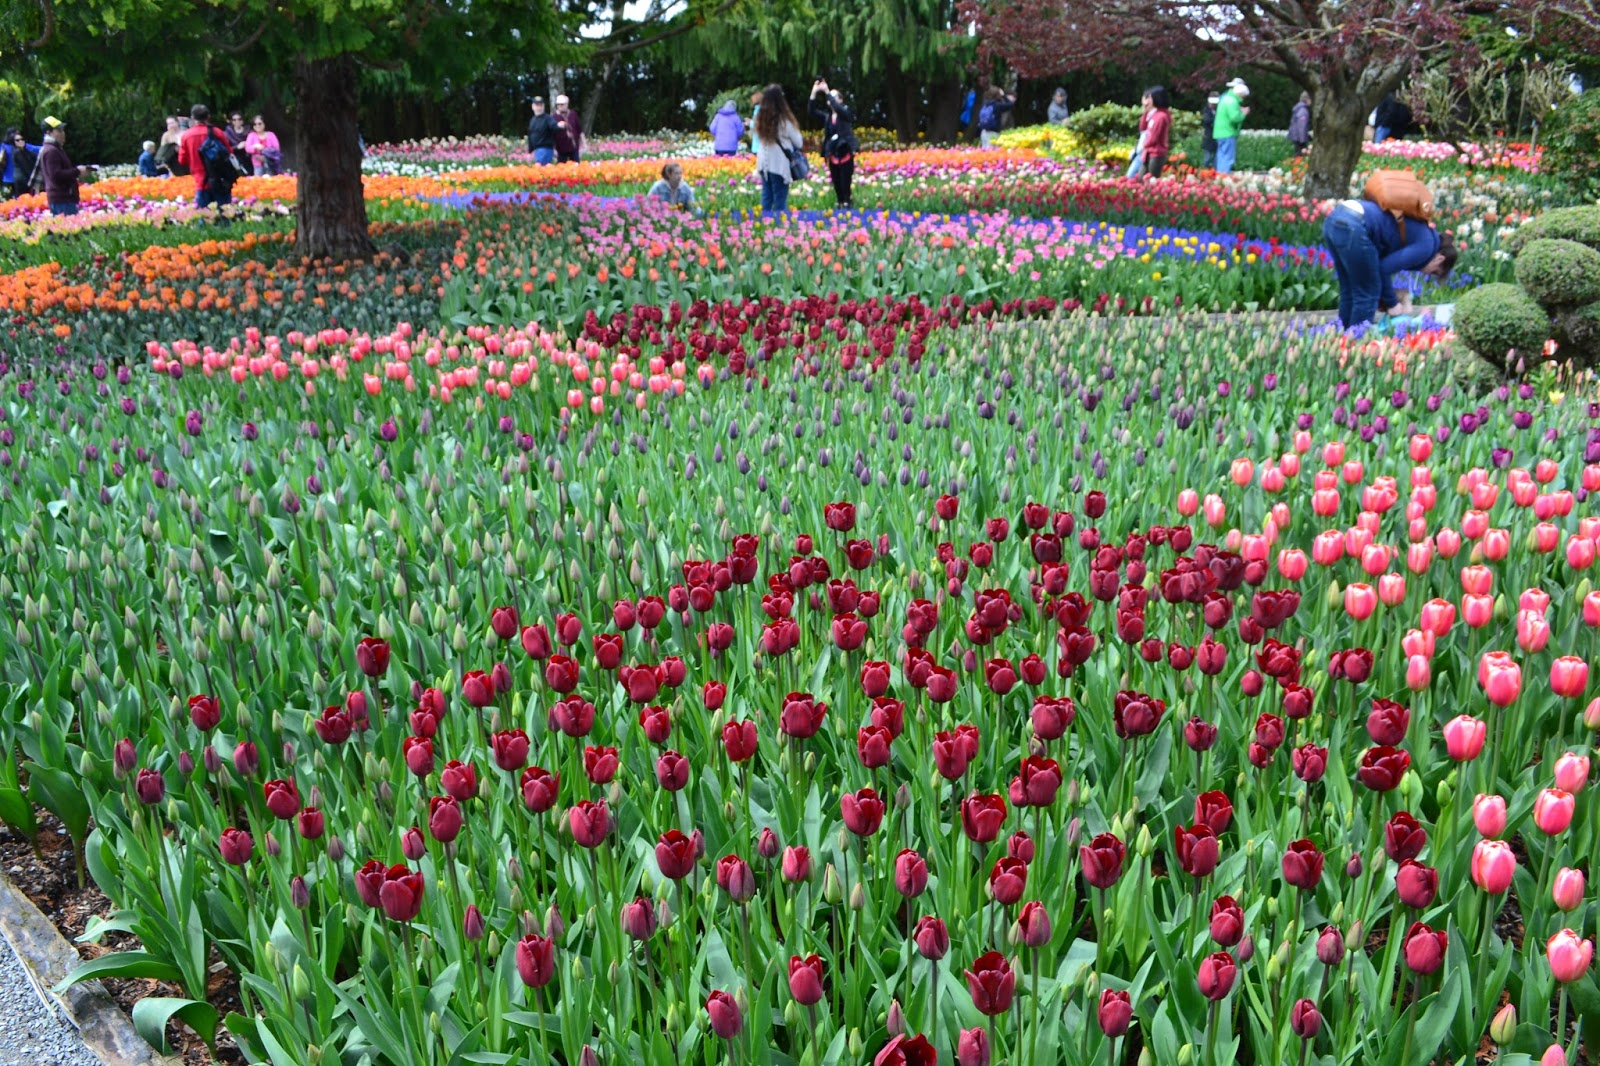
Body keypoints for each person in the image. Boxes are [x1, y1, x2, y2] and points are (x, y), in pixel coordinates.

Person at [1322, 197, 1457, 327]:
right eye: (1434, 272)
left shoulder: (1425, 234)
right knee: (1367, 295)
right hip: (1354, 225)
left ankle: (1342, 341)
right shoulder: (1427, 247)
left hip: (1335, 217)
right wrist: (1392, 304)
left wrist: (1396, 296)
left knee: (1350, 290)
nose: (1426, 274)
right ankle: (1355, 344)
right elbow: (1383, 269)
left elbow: (1378, 266)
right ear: (1440, 259)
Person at [752, 83, 803, 213]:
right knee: (780, 200)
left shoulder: (760, 118)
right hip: (779, 164)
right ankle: (779, 228)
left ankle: (764, 227)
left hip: (763, 164)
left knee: (766, 198)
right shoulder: (784, 120)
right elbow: (799, 143)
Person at [176, 104, 236, 210]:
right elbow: (229, 153)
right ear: (208, 116)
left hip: (201, 181)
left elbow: (182, 160)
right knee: (225, 215)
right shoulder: (217, 132)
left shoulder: (186, 136)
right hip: (220, 179)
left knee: (204, 217)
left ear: (193, 118)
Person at [810, 79, 857, 209]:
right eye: (829, 97)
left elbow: (838, 108)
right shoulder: (828, 116)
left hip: (845, 151)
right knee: (836, 182)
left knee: (845, 181)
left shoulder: (845, 112)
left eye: (834, 96)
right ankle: (840, 203)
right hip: (833, 153)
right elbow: (812, 111)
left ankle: (847, 203)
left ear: (841, 99)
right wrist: (814, 92)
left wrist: (826, 91)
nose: (830, 100)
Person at [35, 117, 92, 216]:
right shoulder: (51, 151)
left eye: (62, 130)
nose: (63, 133)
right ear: (49, 132)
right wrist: (77, 171)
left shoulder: (54, 149)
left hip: (63, 198)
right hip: (61, 199)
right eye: (59, 130)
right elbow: (56, 175)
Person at [1213, 78, 1250, 174]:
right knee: (1227, 158)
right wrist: (1243, 113)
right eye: (1243, 96)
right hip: (1228, 132)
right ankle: (1224, 178)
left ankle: (1219, 176)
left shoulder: (1225, 98)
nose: (1243, 98)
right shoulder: (1232, 101)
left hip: (1220, 132)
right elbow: (1234, 118)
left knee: (1221, 156)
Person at [1140, 87, 1172, 178]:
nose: (1147, 101)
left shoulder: (1161, 116)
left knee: (1151, 180)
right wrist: (1145, 110)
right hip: (1148, 152)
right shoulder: (1153, 114)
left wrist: (1144, 145)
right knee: (1141, 179)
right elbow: (1143, 127)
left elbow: (1154, 137)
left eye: (1150, 98)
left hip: (1156, 153)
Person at [2, 127, 40, 198]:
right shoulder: (20, 146)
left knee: (10, 200)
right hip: (21, 179)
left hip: (7, 178)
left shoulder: (3, 147)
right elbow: (37, 149)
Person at [527, 97, 558, 164]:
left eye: (541, 105)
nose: (539, 107)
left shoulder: (548, 118)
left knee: (541, 170)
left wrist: (559, 126)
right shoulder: (533, 120)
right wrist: (530, 150)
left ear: (543, 106)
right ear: (533, 106)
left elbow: (555, 127)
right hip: (537, 150)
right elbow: (530, 135)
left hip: (545, 149)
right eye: (537, 105)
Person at [1127, 92, 1151, 179]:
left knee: (1130, 177)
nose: (1144, 103)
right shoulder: (1148, 115)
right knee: (1131, 177)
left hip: (1146, 152)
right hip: (1140, 151)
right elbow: (1142, 128)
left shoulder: (1158, 116)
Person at [553, 94, 583, 163]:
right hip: (560, 149)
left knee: (576, 168)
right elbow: (551, 135)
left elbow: (579, 130)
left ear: (567, 104)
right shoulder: (554, 117)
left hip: (574, 147)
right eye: (558, 104)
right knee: (562, 170)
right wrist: (553, 149)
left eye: (562, 104)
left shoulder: (573, 114)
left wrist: (584, 144)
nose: (560, 106)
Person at [1200, 94, 1219, 170]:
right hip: (1208, 136)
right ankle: (1205, 169)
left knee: (1216, 157)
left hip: (1217, 136)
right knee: (1207, 157)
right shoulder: (1206, 111)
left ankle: (1214, 170)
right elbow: (1206, 121)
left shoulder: (1219, 110)